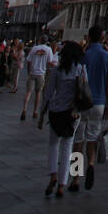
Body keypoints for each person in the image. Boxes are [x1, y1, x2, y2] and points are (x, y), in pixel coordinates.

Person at [39, 41, 90, 199]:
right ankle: (73, 179)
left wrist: (41, 113)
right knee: (76, 145)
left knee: (55, 144)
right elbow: (87, 89)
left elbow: (48, 93)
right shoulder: (82, 69)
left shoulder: (58, 70)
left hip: (57, 111)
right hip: (80, 110)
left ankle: (57, 176)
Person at [72, 25, 108, 192]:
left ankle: (75, 178)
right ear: (102, 38)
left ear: (88, 37)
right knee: (92, 136)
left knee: (77, 140)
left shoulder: (83, 56)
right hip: (99, 103)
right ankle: (90, 164)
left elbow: (77, 81)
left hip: (82, 103)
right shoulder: (107, 56)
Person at [21, 36, 54, 122]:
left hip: (32, 72)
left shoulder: (34, 48)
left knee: (28, 92)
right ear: (46, 41)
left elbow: (28, 61)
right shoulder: (49, 49)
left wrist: (29, 71)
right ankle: (35, 111)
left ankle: (24, 109)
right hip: (41, 74)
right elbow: (50, 62)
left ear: (39, 40)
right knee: (38, 93)